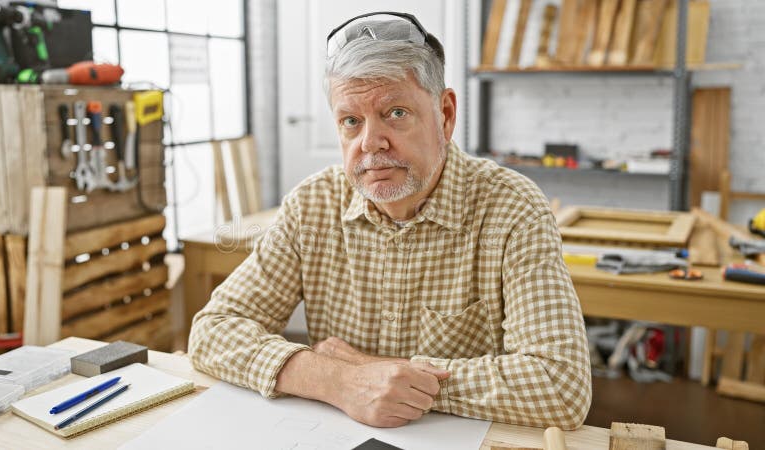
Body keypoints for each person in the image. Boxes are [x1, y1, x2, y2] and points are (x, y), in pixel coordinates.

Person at [189, 11, 591, 430]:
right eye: (351, 121)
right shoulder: (312, 204)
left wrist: (380, 375)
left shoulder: (512, 208)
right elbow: (211, 333)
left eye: (395, 113)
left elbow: (561, 385)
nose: (370, 143)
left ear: (446, 114)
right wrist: (338, 380)